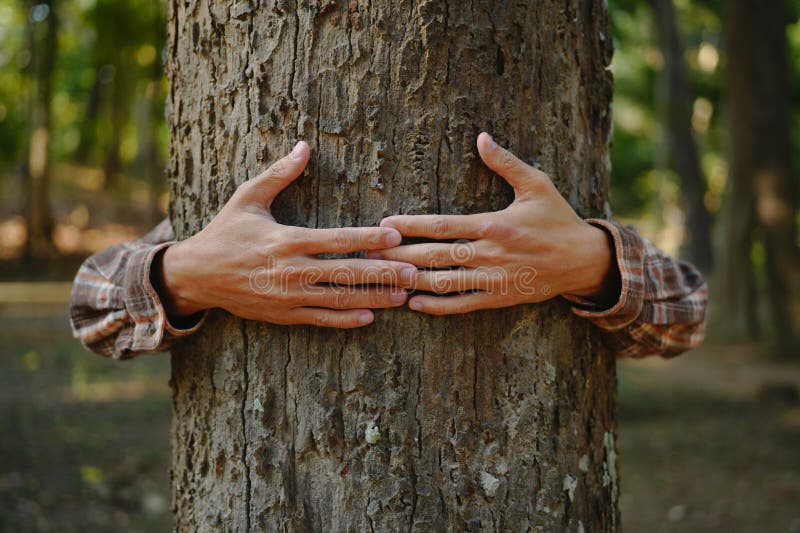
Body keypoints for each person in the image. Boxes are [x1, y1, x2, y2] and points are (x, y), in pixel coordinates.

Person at [70, 133, 707, 360]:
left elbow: (687, 318)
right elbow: (93, 312)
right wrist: (183, 274)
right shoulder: (208, 215)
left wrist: (593, 263)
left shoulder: (570, 216)